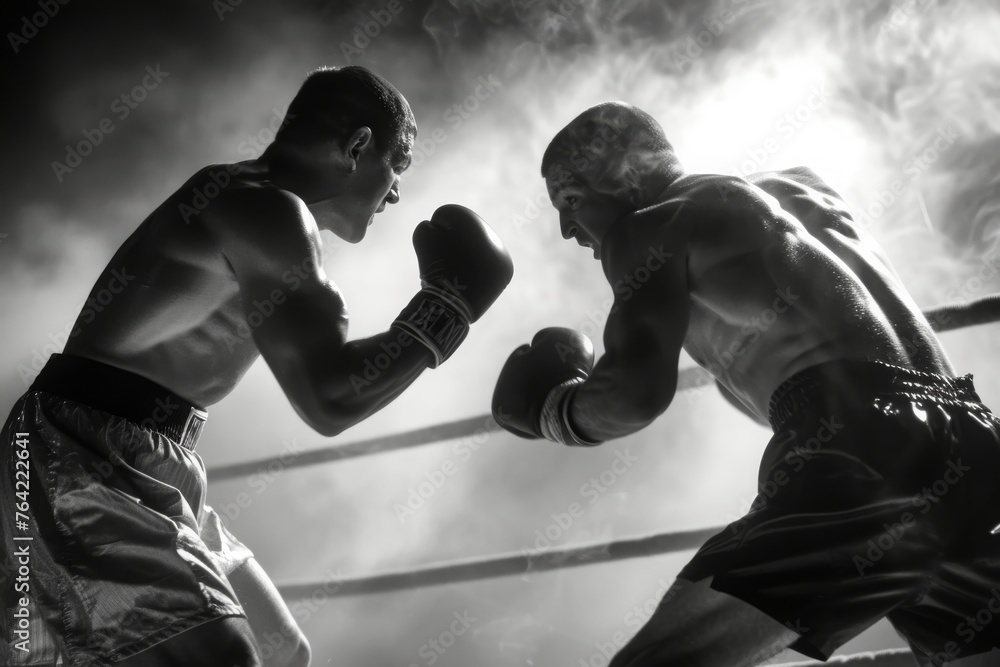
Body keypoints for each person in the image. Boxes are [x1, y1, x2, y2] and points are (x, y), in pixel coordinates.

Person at [0, 66, 513, 667]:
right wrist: (446, 306)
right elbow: (330, 398)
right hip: (80, 455)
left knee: (282, 651)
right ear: (357, 146)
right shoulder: (266, 212)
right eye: (397, 166)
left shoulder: (238, 194)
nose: (396, 193)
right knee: (223, 659)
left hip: (133, 454)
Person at [491, 101, 1000, 666]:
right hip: (972, 437)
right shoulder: (805, 192)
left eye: (570, 199)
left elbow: (633, 397)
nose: (566, 228)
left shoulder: (646, 227)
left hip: (859, 450)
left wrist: (553, 411)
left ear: (625, 174)